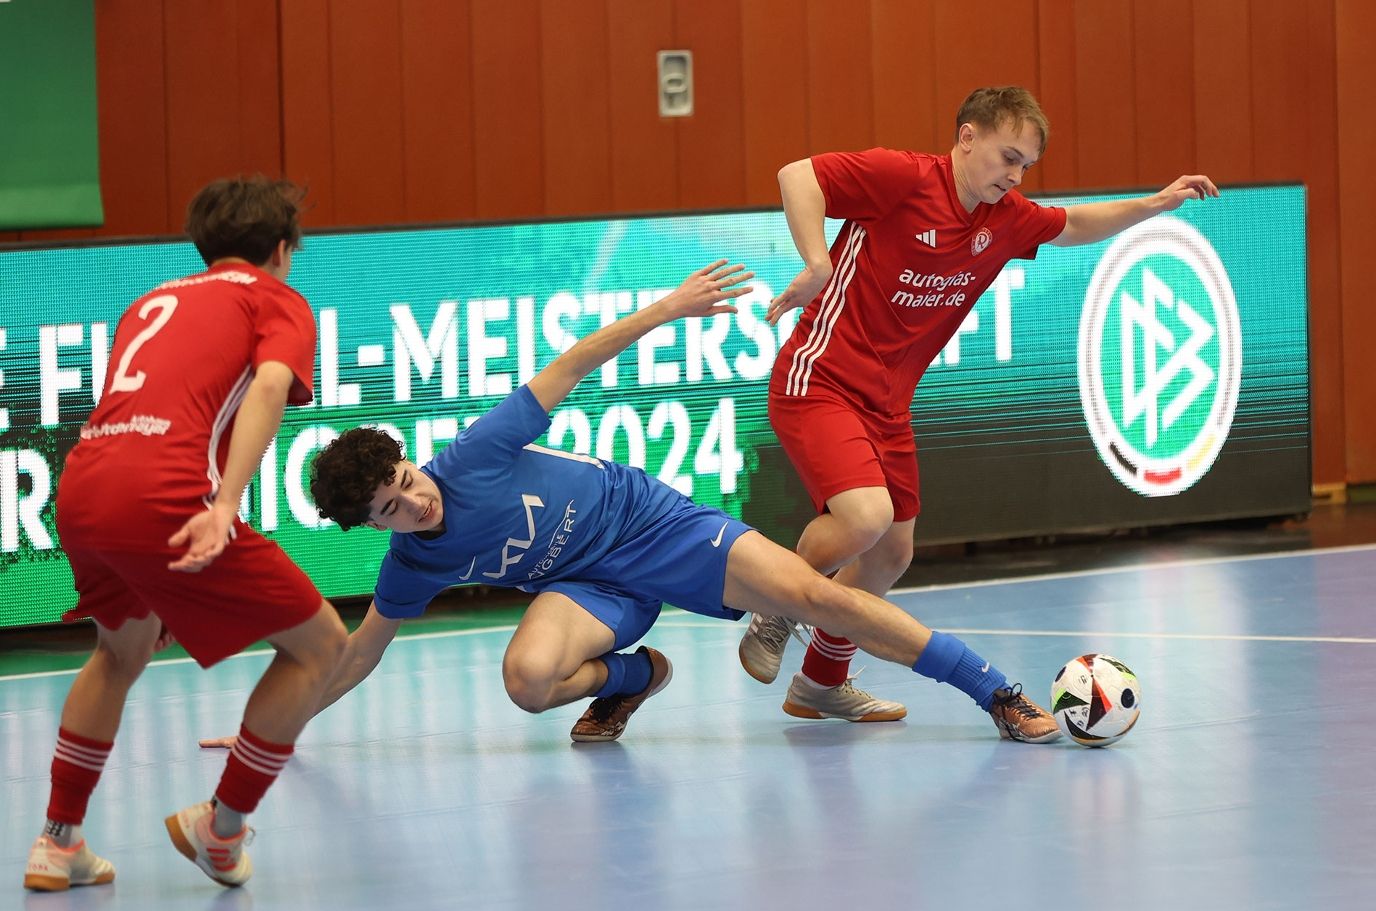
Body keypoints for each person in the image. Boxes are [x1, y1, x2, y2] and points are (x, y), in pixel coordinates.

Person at [279, 260, 1059, 754]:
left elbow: (576, 360)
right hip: (588, 589)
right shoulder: (415, 562)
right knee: (525, 682)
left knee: (820, 596)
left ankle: (991, 687)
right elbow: (358, 652)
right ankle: (635, 673)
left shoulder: (476, 452)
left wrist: (669, 307)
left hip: (651, 526)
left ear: (410, 459)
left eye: (406, 480)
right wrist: (279, 726)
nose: (413, 502)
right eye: (391, 509)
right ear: (375, 527)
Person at [738, 86, 1219, 721]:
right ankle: (777, 607)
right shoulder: (904, 178)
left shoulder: (1005, 217)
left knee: (891, 552)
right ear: (968, 137)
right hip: (819, 378)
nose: (1015, 176)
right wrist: (818, 262)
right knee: (863, 518)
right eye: (1007, 157)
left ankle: (821, 682)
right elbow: (797, 176)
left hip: (887, 403)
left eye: (1026, 166)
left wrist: (1155, 204)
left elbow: (1073, 223)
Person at [23, 177, 348, 893]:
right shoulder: (275, 298)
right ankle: (221, 826)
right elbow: (267, 387)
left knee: (118, 650)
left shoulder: (149, 303)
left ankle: (58, 840)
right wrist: (226, 502)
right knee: (322, 644)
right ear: (283, 249)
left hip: (82, 487)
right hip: (165, 493)